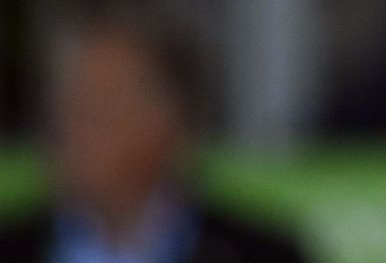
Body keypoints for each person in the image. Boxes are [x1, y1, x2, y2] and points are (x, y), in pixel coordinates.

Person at [0, 15, 311, 263]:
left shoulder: (261, 255)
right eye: (65, 107)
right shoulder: (12, 249)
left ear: (171, 124)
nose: (71, 130)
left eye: (100, 109)